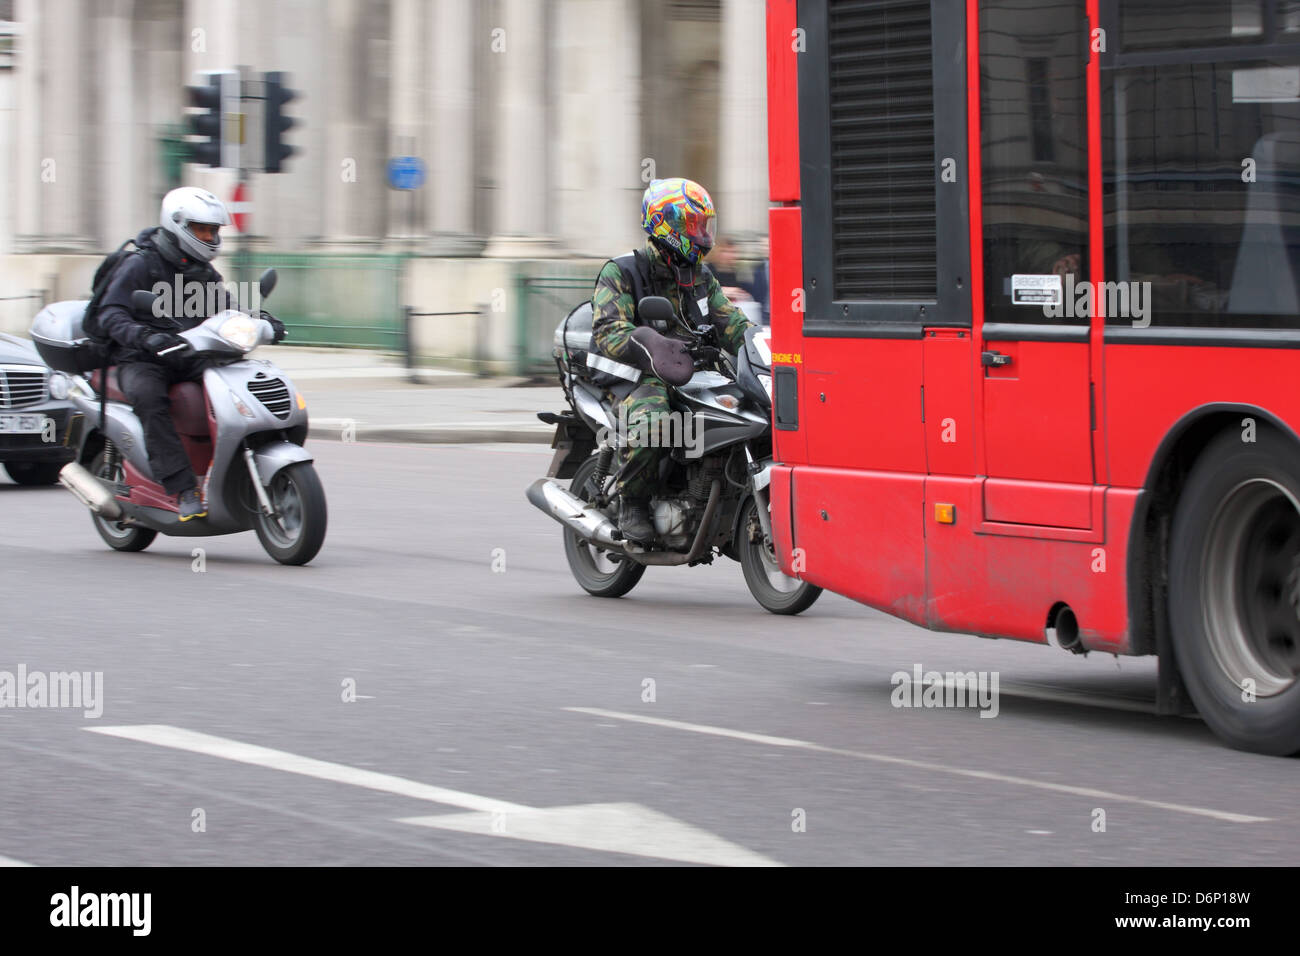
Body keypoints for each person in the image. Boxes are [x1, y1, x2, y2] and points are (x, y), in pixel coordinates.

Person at [94, 186, 285, 520]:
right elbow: (110, 314)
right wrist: (144, 337)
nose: (209, 236)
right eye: (201, 229)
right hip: (143, 357)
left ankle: (230, 467)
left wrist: (260, 321)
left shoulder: (203, 271)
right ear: (177, 224)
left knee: (239, 384)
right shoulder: (140, 263)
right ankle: (182, 488)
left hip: (191, 354)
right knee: (150, 398)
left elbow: (228, 308)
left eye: (213, 230)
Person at [591, 177, 751, 543]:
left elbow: (732, 324)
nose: (702, 233)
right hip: (637, 374)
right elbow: (608, 332)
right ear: (667, 225)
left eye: (704, 225)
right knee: (657, 422)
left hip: (692, 374)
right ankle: (632, 502)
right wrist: (651, 346)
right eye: (693, 225)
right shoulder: (624, 271)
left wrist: (770, 348)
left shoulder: (700, 278)